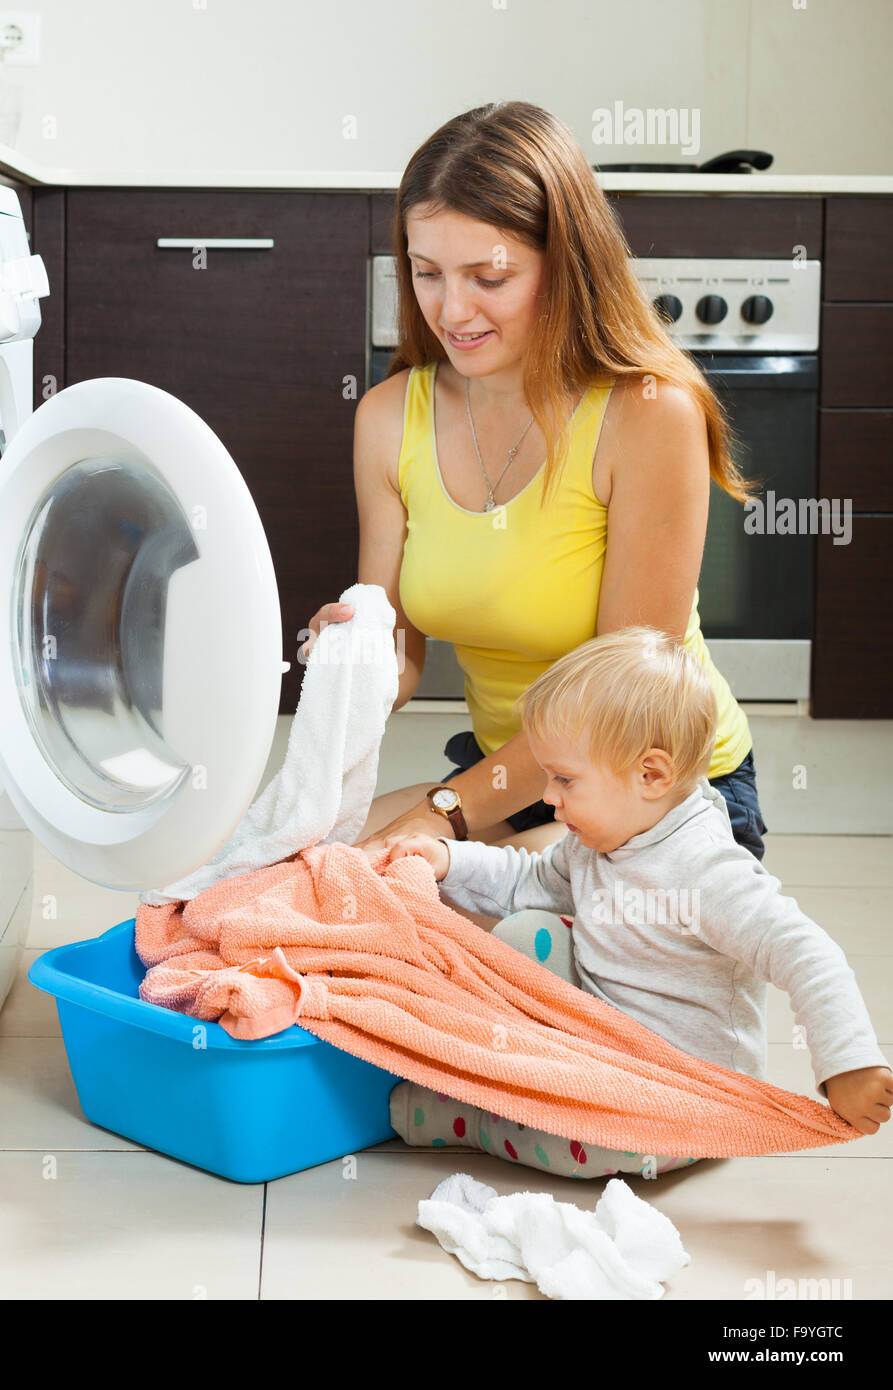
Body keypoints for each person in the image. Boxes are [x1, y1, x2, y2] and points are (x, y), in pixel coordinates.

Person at [300, 101, 768, 934]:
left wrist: (441, 816)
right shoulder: (386, 418)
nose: (451, 311)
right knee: (317, 888)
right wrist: (353, 655)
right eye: (425, 271)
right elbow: (399, 651)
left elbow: (619, 699)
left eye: (489, 276)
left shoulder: (648, 415)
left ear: (565, 264)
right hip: (505, 777)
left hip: (647, 790)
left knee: (489, 936)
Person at [380, 627, 892, 1180]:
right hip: (607, 1046)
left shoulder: (707, 870)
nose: (548, 797)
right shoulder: (598, 837)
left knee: (606, 1149)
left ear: (650, 775)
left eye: (565, 779)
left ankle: (472, 1120)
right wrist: (447, 860)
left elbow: (806, 953)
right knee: (526, 933)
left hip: (686, 1094)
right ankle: (515, 1078)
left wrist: (849, 1063)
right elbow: (528, 879)